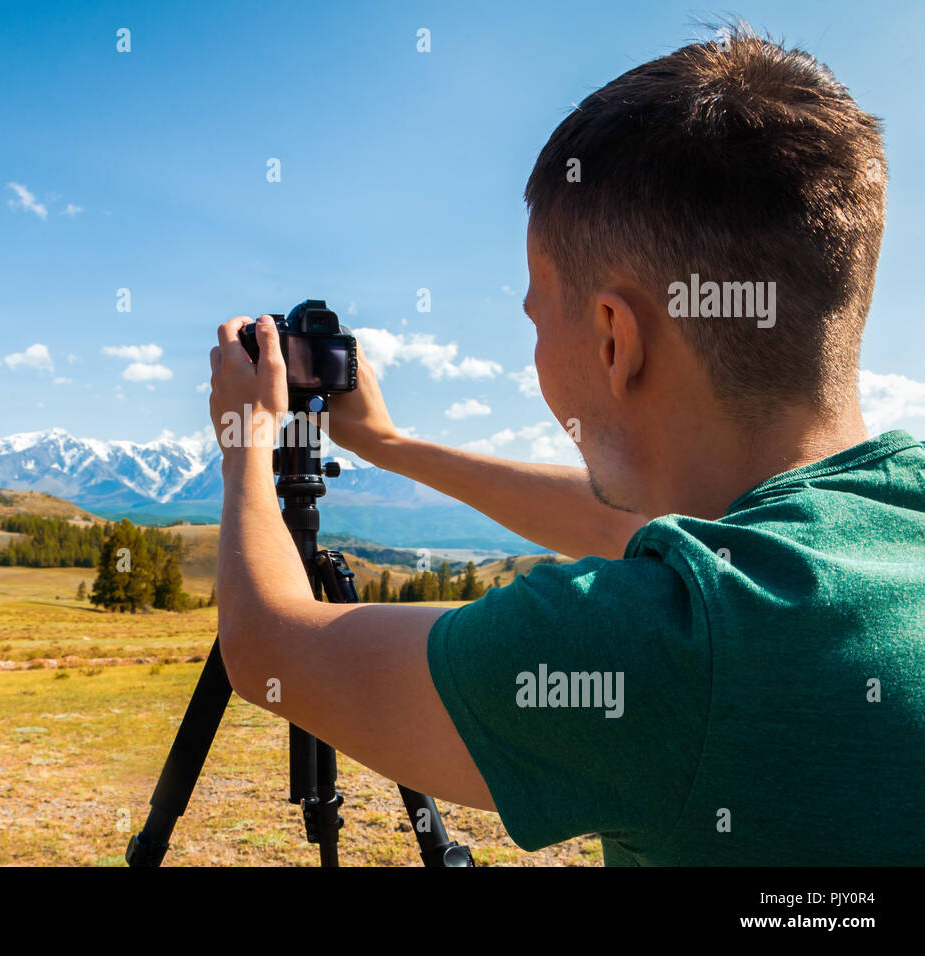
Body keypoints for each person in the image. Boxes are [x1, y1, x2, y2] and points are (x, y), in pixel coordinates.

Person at [206, 24, 924, 865]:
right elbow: (647, 532)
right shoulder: (872, 524)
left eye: (536, 315)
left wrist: (246, 442)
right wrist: (391, 445)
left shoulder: (665, 648)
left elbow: (270, 648)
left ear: (615, 339)